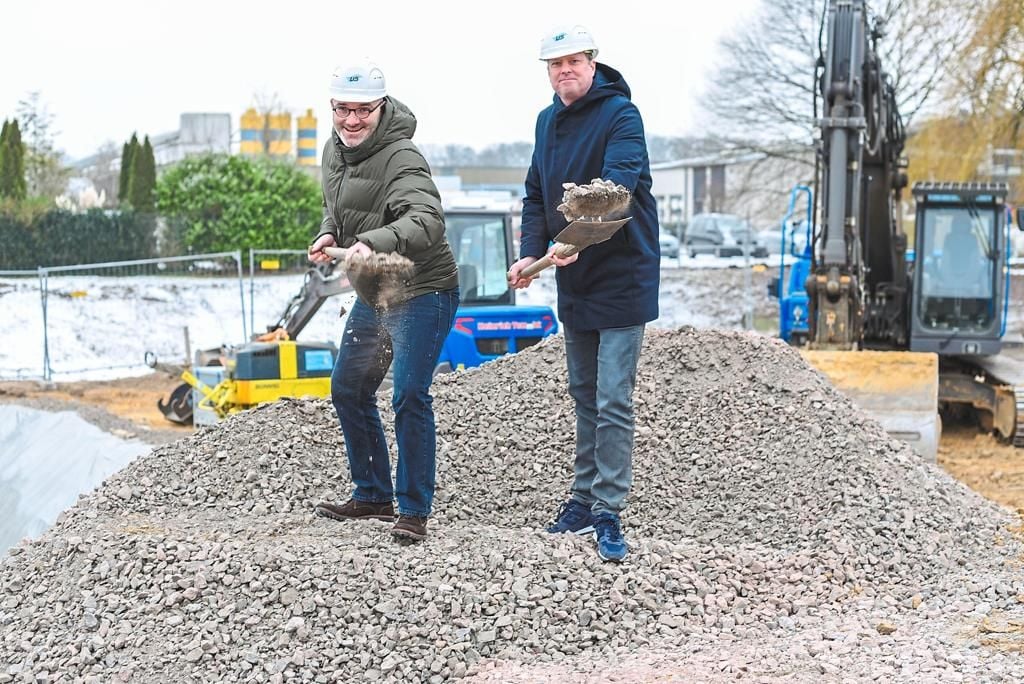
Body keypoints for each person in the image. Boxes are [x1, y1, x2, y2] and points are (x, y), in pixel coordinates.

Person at [507, 26, 660, 562]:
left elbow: (615, 190)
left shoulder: (621, 115)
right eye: (555, 64)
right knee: (584, 392)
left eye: (573, 61)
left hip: (623, 272)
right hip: (575, 274)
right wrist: (532, 252)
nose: (564, 71)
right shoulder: (546, 122)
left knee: (613, 395)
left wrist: (568, 240)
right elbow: (534, 194)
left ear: (593, 63)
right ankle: (580, 498)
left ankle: (607, 509)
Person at [308, 61, 459, 542]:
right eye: (343, 110)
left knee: (409, 393)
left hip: (423, 287)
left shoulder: (402, 157)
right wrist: (330, 232)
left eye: (363, 111)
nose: (352, 120)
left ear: (381, 107)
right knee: (348, 388)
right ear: (332, 108)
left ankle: (413, 510)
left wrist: (372, 241)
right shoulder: (334, 152)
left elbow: (427, 221)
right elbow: (340, 209)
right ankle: (372, 494)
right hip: (378, 288)